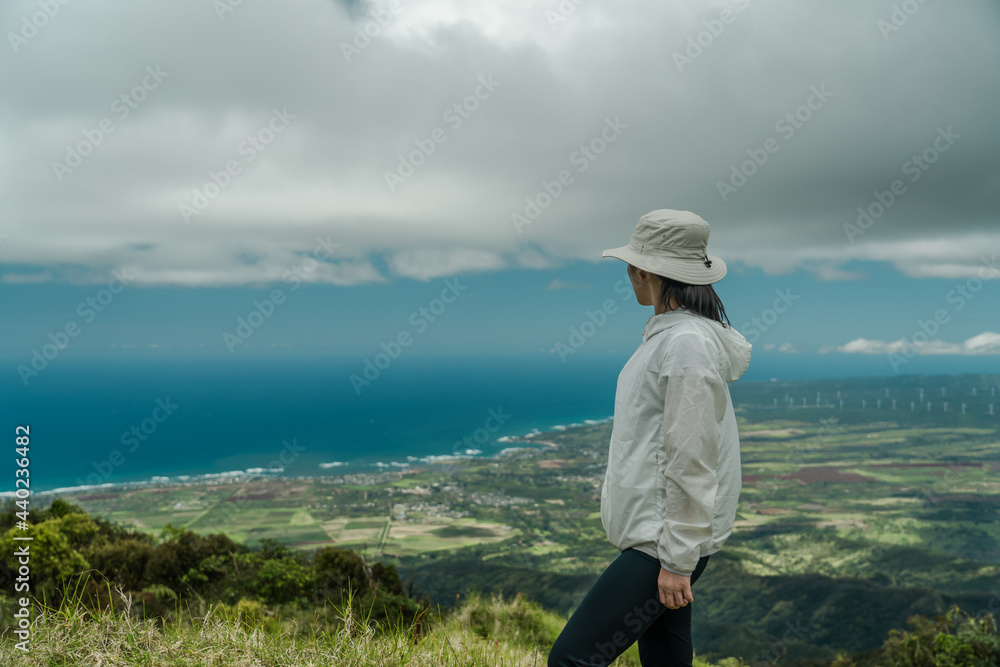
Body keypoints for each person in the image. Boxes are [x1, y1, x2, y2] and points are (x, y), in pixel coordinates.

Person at [548, 209, 752, 667]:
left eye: (632, 264)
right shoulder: (678, 338)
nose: (627, 274)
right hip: (665, 538)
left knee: (571, 659)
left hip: (661, 542)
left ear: (644, 271)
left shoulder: (684, 344)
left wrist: (677, 559)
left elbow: (691, 454)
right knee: (665, 658)